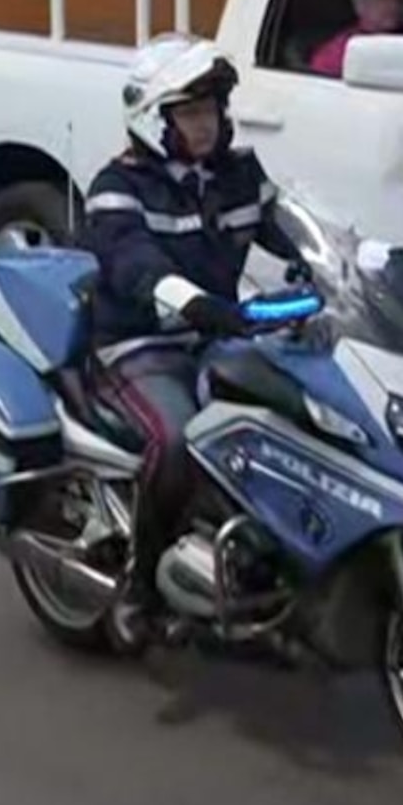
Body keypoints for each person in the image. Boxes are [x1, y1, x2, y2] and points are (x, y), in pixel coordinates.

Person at [81, 36, 303, 647]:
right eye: (191, 113)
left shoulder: (238, 175)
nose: (207, 125)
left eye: (211, 110)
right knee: (179, 440)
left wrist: (352, 261)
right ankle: (140, 589)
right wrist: (195, 303)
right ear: (155, 120)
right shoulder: (117, 186)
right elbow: (132, 263)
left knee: (300, 420)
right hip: (139, 344)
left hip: (218, 338)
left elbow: (289, 230)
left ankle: (268, 573)